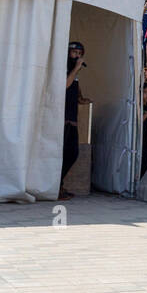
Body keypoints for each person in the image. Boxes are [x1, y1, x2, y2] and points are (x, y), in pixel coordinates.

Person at [59, 41, 87, 199]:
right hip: (63, 117)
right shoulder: (64, 68)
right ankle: (56, 186)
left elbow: (75, 87)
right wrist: (76, 68)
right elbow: (65, 85)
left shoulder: (73, 72)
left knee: (73, 153)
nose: (77, 56)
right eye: (74, 53)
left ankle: (60, 184)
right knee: (63, 152)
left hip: (72, 116)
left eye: (79, 53)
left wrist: (81, 98)